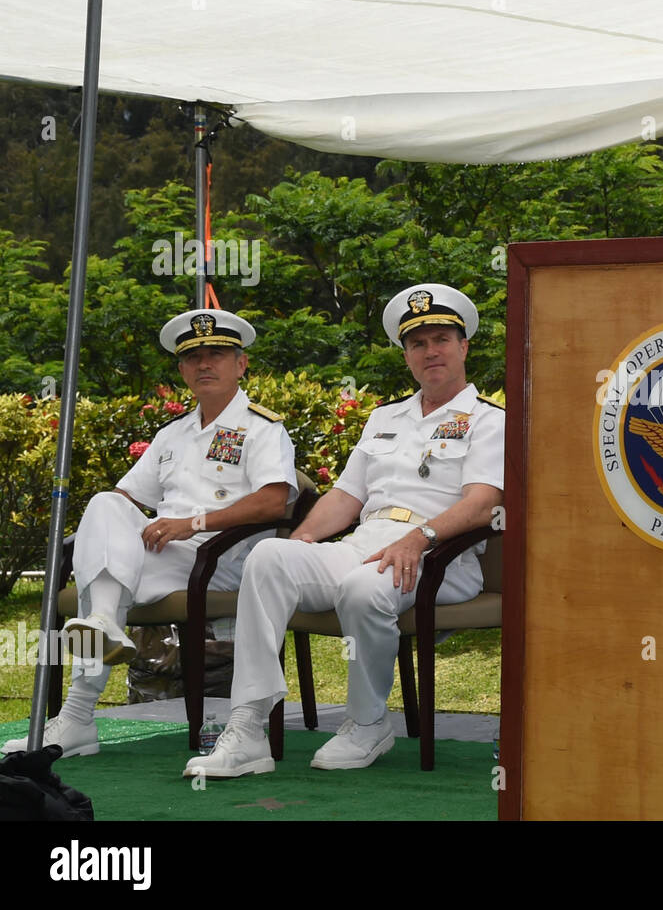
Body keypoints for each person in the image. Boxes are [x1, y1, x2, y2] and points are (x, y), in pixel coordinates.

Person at [185, 283, 504, 778]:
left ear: (464, 347)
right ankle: (247, 727)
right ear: (406, 355)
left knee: (362, 588)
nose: (430, 351)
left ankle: (367, 722)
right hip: (365, 543)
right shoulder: (383, 417)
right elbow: (345, 497)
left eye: (441, 338)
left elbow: (483, 504)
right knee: (269, 558)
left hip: (443, 557)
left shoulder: (487, 420)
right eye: (418, 343)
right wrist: (304, 539)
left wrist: (419, 539)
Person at [3, 310, 297, 758]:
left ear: (241, 364)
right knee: (104, 510)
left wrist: (191, 524)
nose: (204, 364)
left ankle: (79, 715)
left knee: (101, 576)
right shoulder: (173, 433)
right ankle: (101, 632)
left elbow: (274, 502)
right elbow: (125, 497)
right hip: (166, 554)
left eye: (216, 354)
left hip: (222, 557)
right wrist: (118, 531)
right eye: (193, 357)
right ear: (181, 370)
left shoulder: (262, 428)